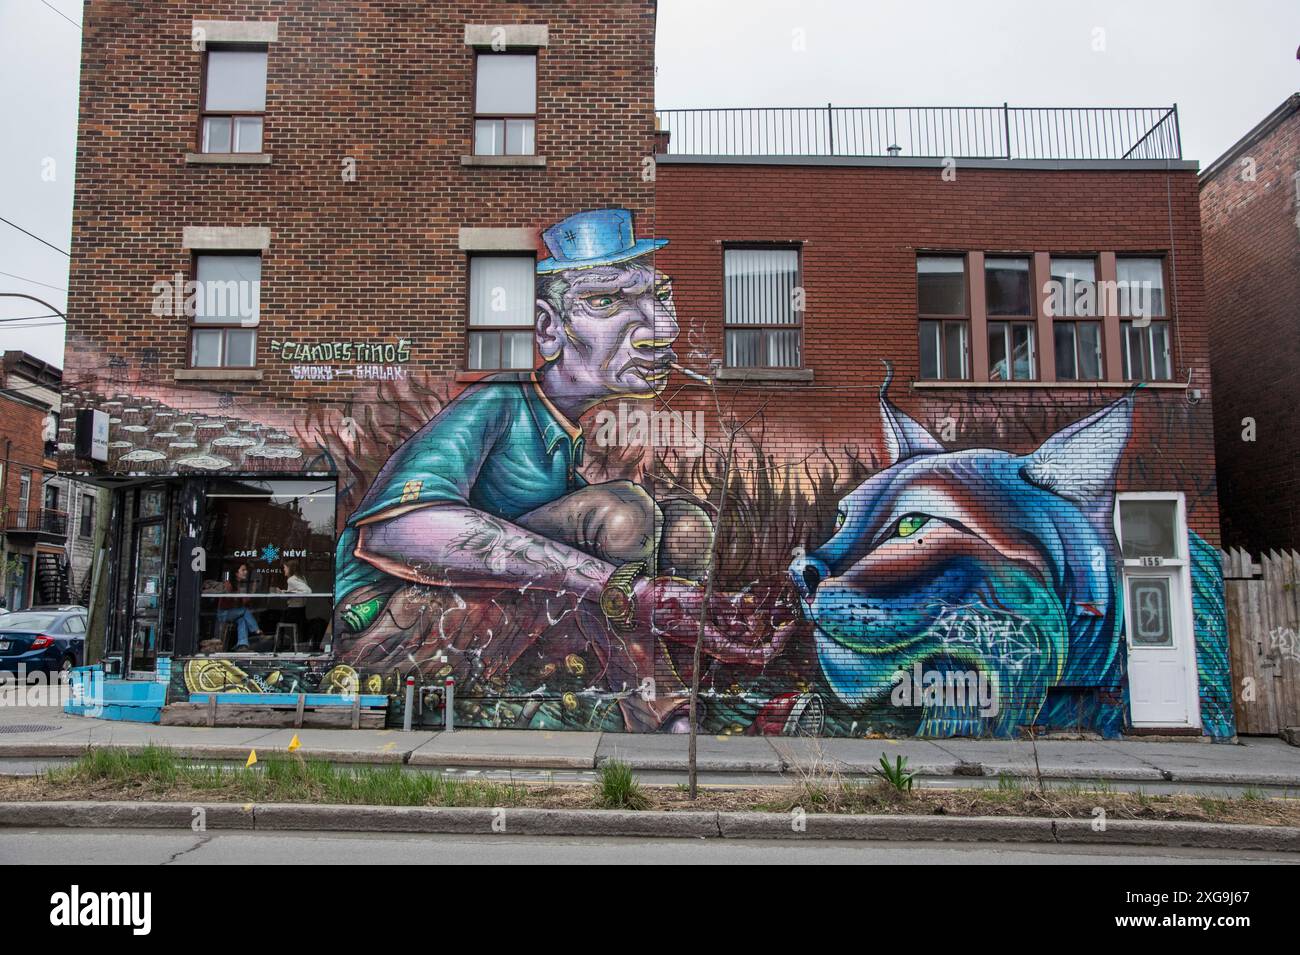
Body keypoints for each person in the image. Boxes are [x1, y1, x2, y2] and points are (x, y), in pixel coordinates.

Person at [334, 208, 792, 731]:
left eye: (659, 296)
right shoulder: (500, 397)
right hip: (385, 625)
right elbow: (400, 529)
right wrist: (633, 593)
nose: (661, 328)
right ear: (548, 328)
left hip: (489, 617)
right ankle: (665, 720)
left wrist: (684, 604)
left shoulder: (562, 437)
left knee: (684, 527)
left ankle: (681, 710)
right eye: (606, 300)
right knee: (622, 515)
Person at [216, 563, 263, 651]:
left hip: (232, 613)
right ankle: (256, 630)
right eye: (243, 570)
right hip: (224, 613)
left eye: (246, 570)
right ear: (236, 573)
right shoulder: (228, 584)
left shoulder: (238, 585)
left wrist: (252, 591)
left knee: (242, 619)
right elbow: (229, 599)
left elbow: (244, 602)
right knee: (244, 611)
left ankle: (242, 644)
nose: (246, 572)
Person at [273, 560, 311, 650]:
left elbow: (308, 591)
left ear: (290, 569)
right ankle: (294, 646)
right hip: (301, 610)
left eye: (285, 568)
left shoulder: (291, 580)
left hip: (294, 610)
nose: (284, 570)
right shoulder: (301, 578)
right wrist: (285, 592)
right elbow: (295, 592)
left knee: (278, 621)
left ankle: (279, 646)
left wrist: (285, 593)